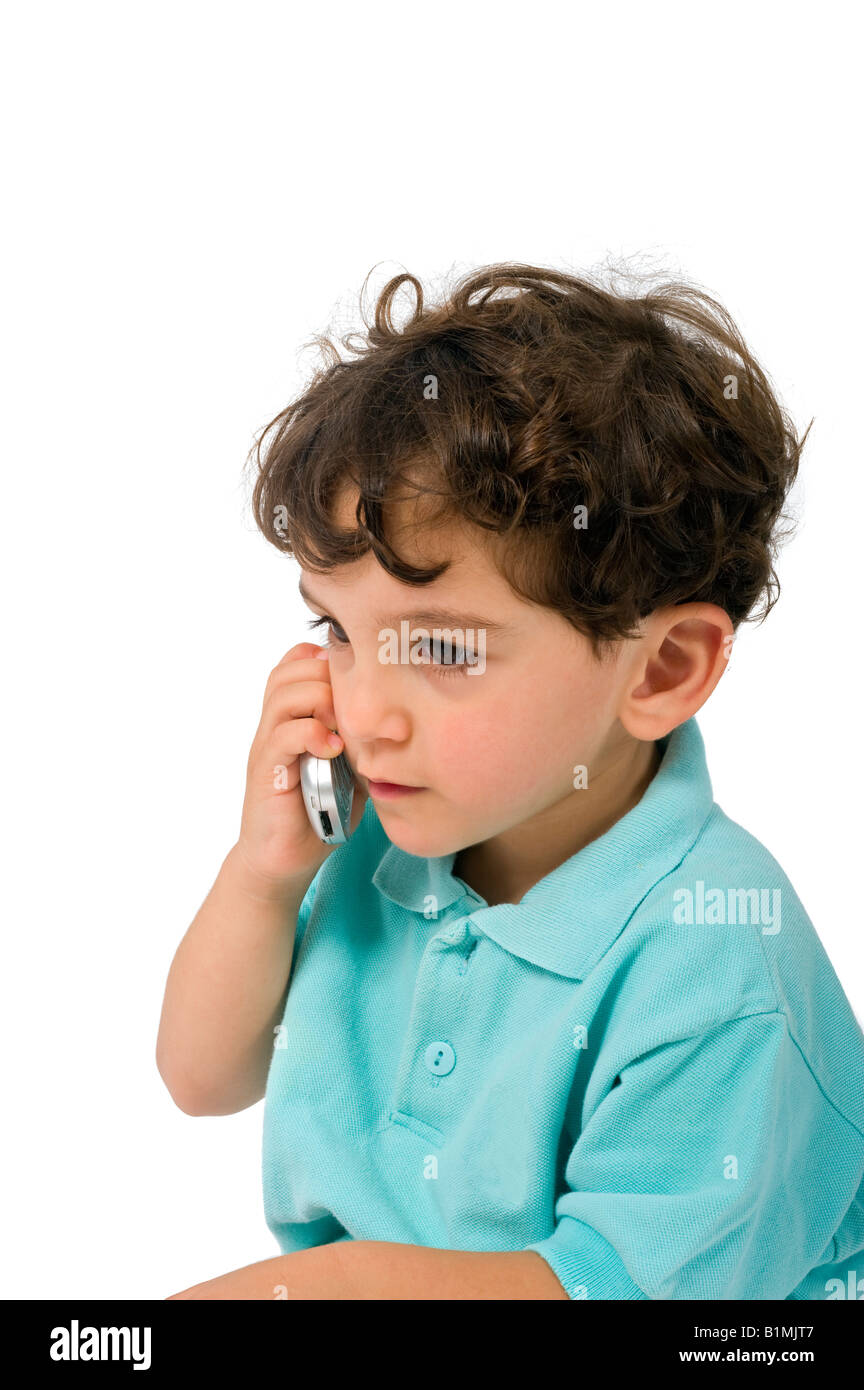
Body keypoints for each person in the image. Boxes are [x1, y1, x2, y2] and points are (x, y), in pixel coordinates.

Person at [158, 262, 864, 1300]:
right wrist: (264, 876)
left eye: (442, 652)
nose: (366, 712)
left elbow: (599, 1291)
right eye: (337, 631)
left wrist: (312, 1291)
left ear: (662, 669)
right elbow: (202, 1076)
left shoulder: (719, 966)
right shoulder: (387, 832)